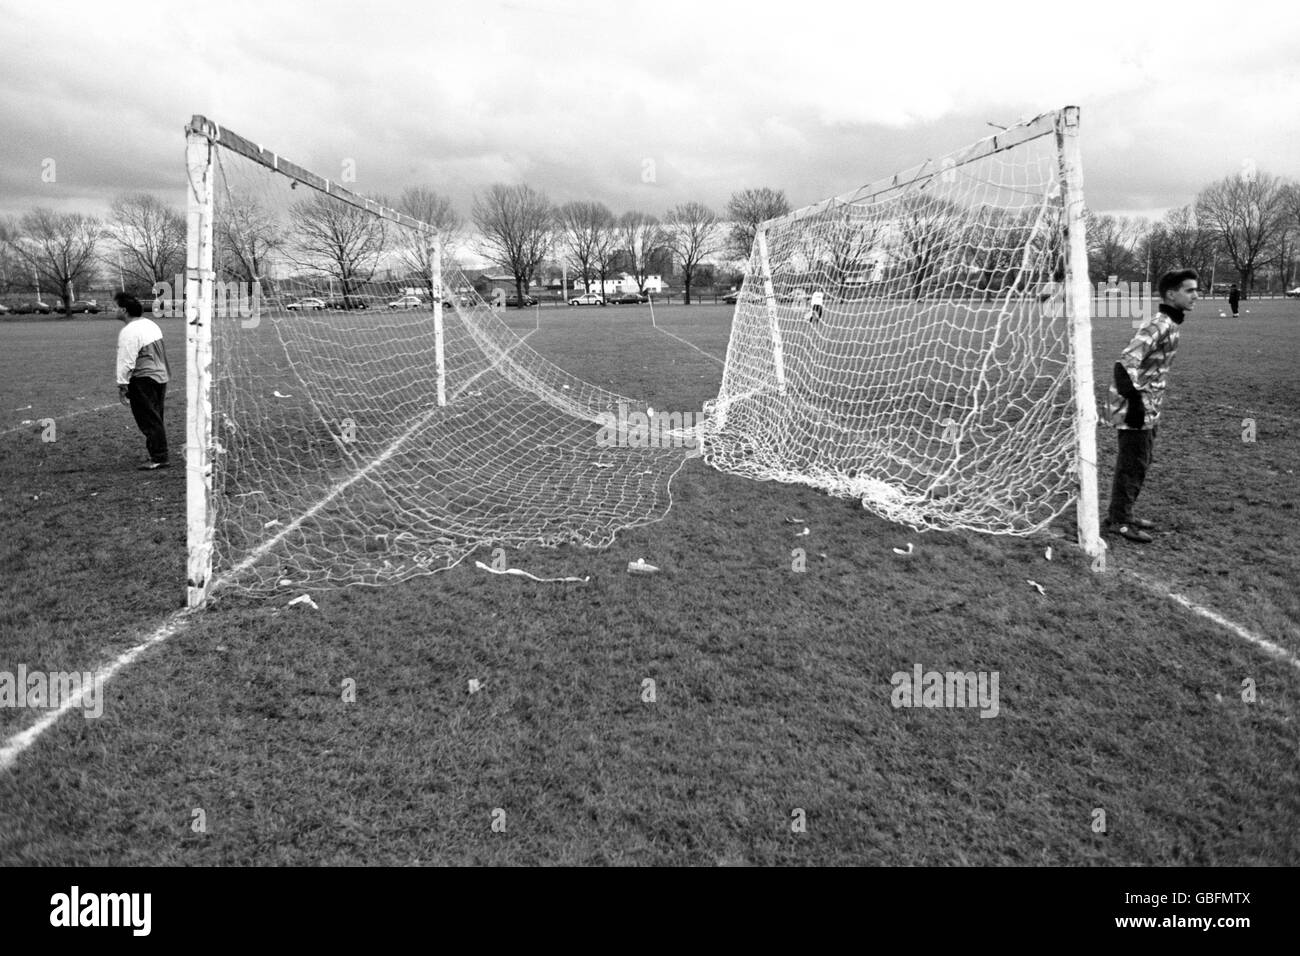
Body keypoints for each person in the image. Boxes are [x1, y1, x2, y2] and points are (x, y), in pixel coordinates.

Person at [1103, 269, 1198, 543]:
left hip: (1148, 406)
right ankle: (1118, 521)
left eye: (1196, 290)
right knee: (1132, 464)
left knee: (1140, 462)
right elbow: (1124, 362)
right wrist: (1135, 403)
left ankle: (1123, 513)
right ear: (1171, 294)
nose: (1195, 295)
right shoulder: (1159, 325)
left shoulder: (1171, 323)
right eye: (1189, 290)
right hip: (1135, 407)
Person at [114, 291, 171, 470]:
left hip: (143, 378)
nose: (115, 310)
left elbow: (126, 360)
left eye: (116, 307)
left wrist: (122, 385)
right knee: (156, 417)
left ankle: (159, 457)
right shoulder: (150, 324)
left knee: (148, 420)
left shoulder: (129, 331)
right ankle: (158, 453)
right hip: (160, 376)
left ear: (124, 310)